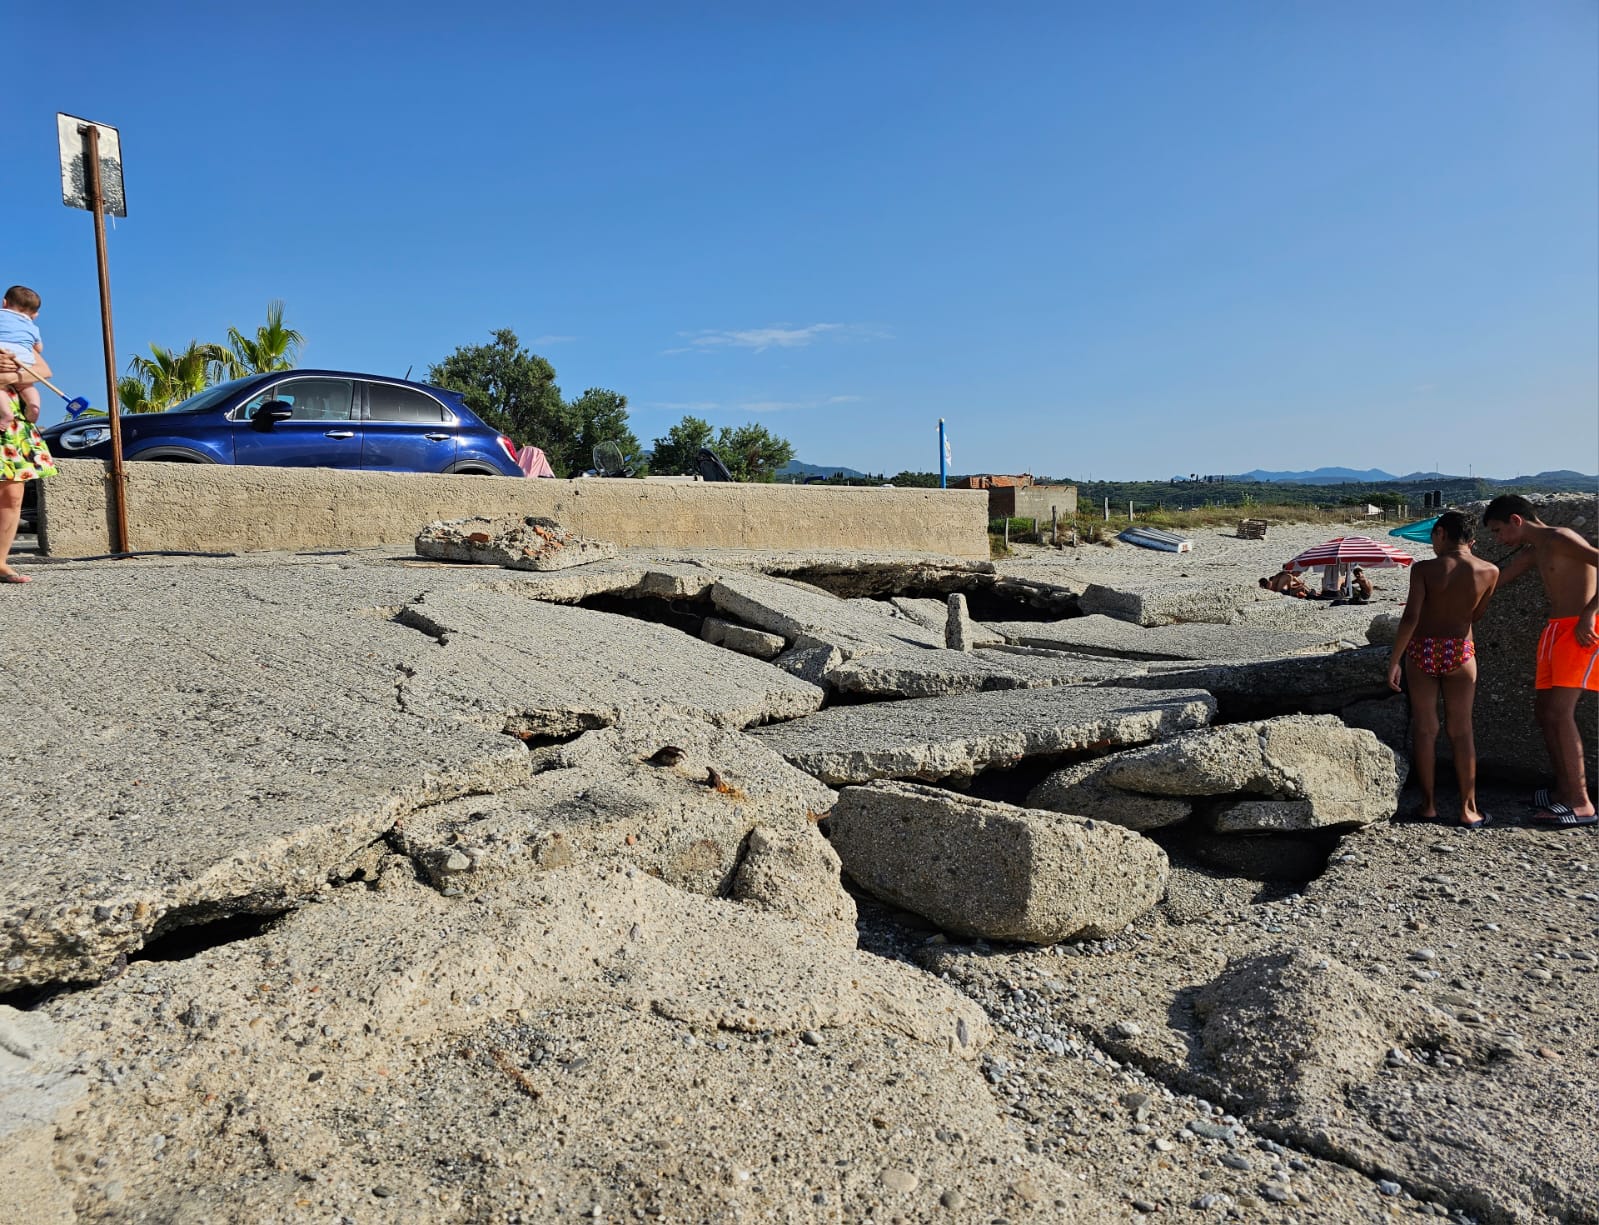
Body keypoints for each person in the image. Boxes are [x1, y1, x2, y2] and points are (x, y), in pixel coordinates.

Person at [1483, 494, 1599, 827]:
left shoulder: (1561, 537)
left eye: (1498, 531)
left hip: (1579, 631)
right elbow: (1498, 579)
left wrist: (1590, 614)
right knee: (1545, 711)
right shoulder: (1536, 551)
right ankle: (1563, 791)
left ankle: (1581, 803)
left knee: (1560, 712)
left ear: (1516, 520)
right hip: (1554, 632)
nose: (1498, 539)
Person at [1386, 511, 1498, 828]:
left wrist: (1394, 660)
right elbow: (1475, 616)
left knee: (1425, 728)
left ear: (1439, 534)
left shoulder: (1424, 569)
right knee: (1461, 731)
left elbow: (1410, 617)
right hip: (1460, 650)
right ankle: (1468, 809)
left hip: (1422, 649)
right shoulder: (1490, 571)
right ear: (1470, 540)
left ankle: (1429, 805)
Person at [0, 348, 59, 583]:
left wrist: (9, 377)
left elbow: (43, 371)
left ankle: (0, 563)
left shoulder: (12, 336)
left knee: (12, 495)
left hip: (10, 424)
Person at [0, 286, 45, 429]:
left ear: (4, 302)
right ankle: (34, 408)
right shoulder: (32, 327)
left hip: (4, 350)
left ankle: (6, 413)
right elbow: (39, 348)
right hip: (24, 358)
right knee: (27, 386)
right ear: (34, 314)